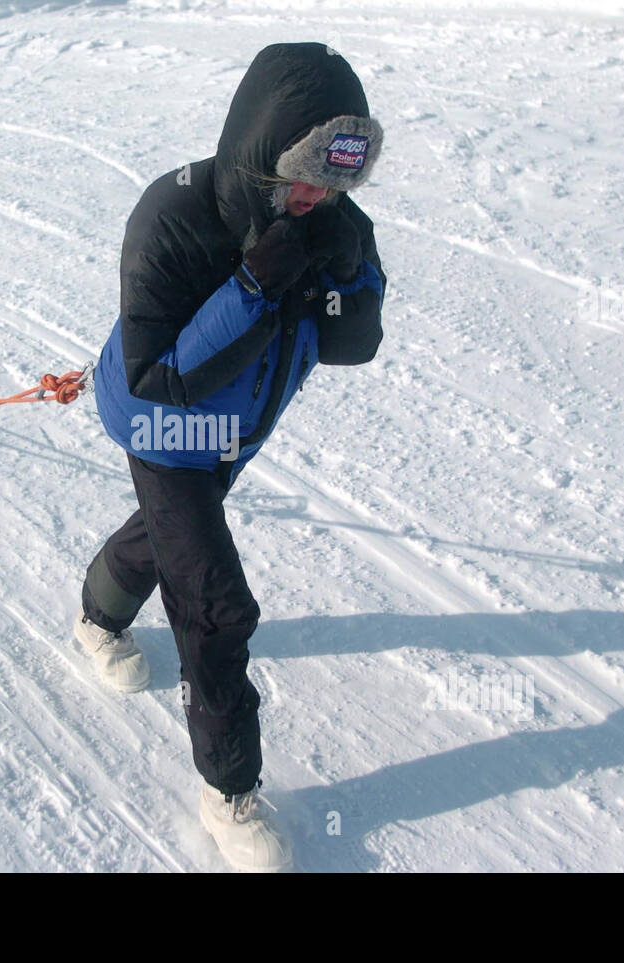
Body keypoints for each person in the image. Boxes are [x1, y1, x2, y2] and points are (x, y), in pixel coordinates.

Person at [73, 41, 386, 872]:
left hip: (235, 433)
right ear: (259, 156)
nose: (318, 200)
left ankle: (97, 614)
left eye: (337, 184)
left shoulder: (332, 221)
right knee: (213, 604)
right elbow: (159, 380)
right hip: (160, 427)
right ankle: (231, 794)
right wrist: (252, 286)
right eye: (303, 179)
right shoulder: (170, 221)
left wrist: (348, 281)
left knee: (167, 539)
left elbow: (358, 342)